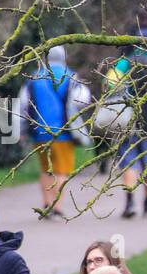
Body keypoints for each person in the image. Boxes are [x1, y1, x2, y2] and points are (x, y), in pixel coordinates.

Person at [14, 45, 91, 216]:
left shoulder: (33, 78)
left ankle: (47, 204)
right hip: (63, 133)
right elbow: (83, 100)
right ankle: (57, 208)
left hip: (39, 133)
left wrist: (19, 130)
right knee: (61, 171)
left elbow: (22, 105)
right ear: (64, 57)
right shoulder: (71, 76)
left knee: (46, 170)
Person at [104, 25, 147, 218]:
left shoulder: (124, 63)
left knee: (129, 162)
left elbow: (109, 85)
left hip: (126, 123)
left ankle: (129, 203)